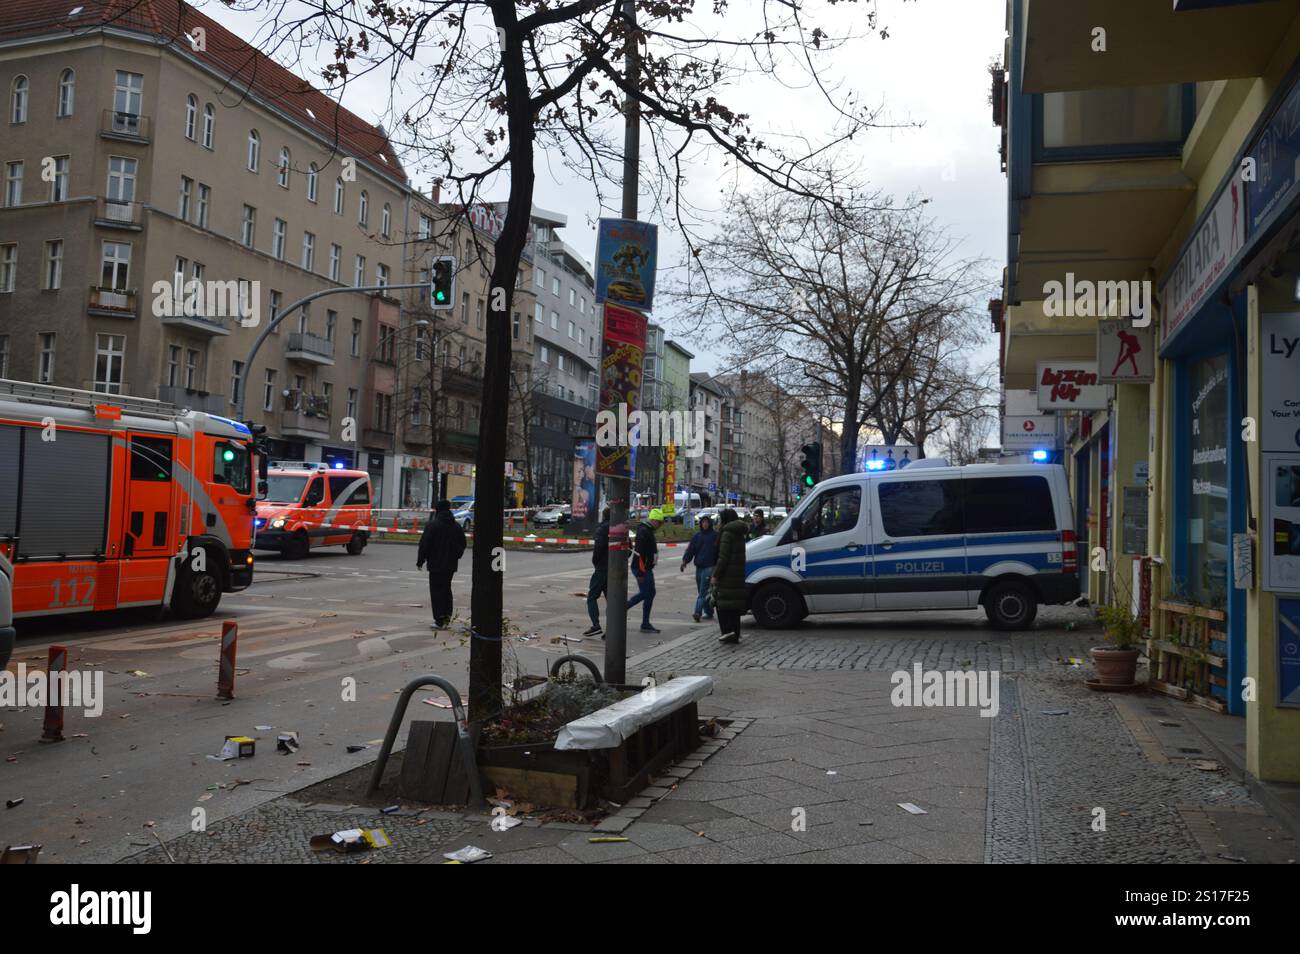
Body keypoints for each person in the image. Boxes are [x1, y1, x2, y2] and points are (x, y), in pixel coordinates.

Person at [416, 499, 467, 629]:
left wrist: (421, 561)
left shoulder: (432, 525)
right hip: (450, 564)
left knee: (436, 591)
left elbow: (424, 544)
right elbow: (463, 543)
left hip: (435, 564)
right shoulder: (456, 526)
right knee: (446, 589)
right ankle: (446, 617)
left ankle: (439, 619)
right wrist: (456, 554)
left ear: (437, 510)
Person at [711, 507, 749, 644]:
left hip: (727, 576)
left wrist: (716, 575)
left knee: (723, 605)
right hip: (737, 575)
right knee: (734, 606)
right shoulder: (739, 533)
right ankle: (736, 633)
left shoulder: (727, 533)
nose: (719, 523)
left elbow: (723, 557)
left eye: (720, 520)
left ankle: (727, 632)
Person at [625, 507, 663, 633]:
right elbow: (640, 553)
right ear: (652, 520)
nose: (660, 525)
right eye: (658, 522)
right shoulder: (644, 531)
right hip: (641, 568)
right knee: (646, 592)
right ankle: (625, 606)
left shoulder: (648, 530)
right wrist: (641, 572)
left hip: (646, 568)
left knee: (650, 593)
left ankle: (645, 623)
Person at [680, 514, 718, 623]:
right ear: (701, 524)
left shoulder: (715, 536)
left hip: (709, 567)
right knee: (703, 592)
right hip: (699, 568)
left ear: (710, 523)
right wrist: (684, 562)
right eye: (703, 522)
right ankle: (709, 612)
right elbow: (691, 550)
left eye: (707, 522)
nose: (705, 524)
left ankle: (697, 612)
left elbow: (720, 551)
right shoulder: (697, 536)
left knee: (702, 592)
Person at [583, 508, 611, 638]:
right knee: (612, 600)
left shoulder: (602, 529)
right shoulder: (620, 528)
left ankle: (596, 625)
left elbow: (598, 548)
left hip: (602, 568)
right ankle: (612, 628)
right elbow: (628, 549)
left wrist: (596, 562)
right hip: (614, 569)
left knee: (592, 597)